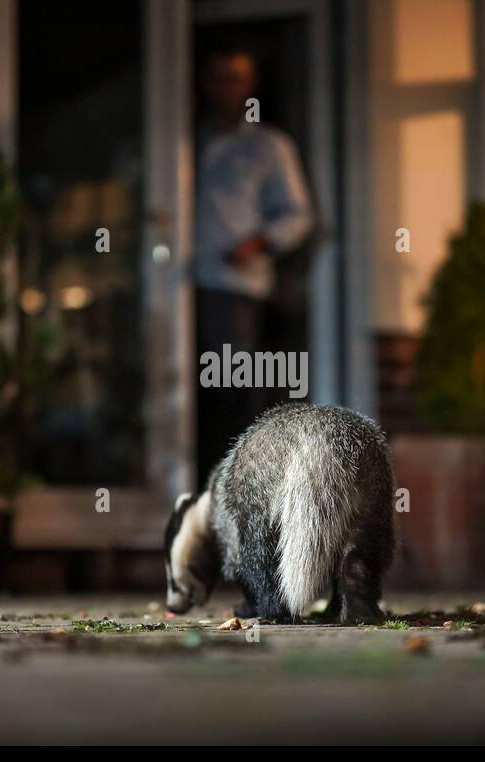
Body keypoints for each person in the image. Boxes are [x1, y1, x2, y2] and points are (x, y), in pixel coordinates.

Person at [194, 44, 314, 480]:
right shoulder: (184, 141)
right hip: (177, 285)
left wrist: (256, 243)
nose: (226, 89)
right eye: (218, 78)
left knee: (233, 389)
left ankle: (243, 494)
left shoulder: (268, 146)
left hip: (233, 288)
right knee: (189, 398)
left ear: (250, 85)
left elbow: (298, 215)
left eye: (236, 79)